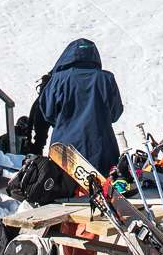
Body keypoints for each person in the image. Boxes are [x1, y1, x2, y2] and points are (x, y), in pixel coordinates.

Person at [37, 38, 123, 173]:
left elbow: (48, 112)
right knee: (104, 189)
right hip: (102, 150)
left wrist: (64, 122)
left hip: (64, 150)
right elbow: (115, 113)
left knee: (66, 189)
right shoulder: (106, 78)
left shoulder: (58, 79)